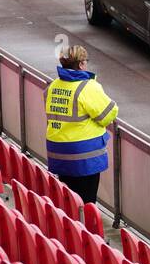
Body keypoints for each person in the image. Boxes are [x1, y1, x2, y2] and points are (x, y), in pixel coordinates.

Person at [44, 45, 118, 204]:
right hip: (84, 157)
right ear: (80, 64)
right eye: (85, 61)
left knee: (68, 200)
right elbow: (108, 114)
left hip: (59, 153)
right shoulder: (88, 86)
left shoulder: (53, 86)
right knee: (86, 202)